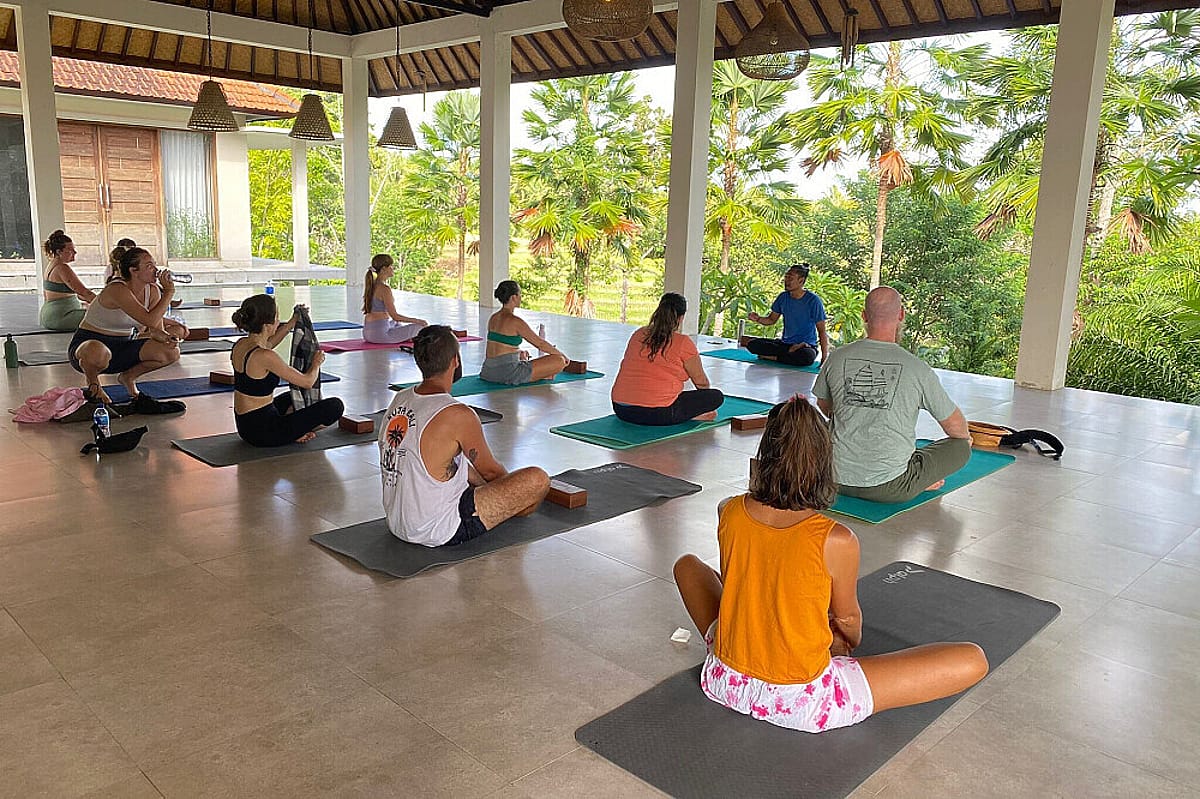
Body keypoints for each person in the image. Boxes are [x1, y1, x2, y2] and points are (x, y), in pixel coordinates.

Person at [673, 397, 988, 734]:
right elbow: (848, 619)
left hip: (725, 679)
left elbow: (739, 572)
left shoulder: (729, 510)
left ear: (765, 454)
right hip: (801, 699)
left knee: (687, 565)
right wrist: (842, 642)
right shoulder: (836, 539)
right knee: (972, 659)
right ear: (826, 462)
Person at [379, 325, 550, 547]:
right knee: (537, 479)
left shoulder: (400, 398)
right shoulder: (458, 414)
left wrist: (483, 489)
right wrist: (514, 494)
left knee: (464, 468)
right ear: (454, 361)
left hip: (398, 523)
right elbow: (491, 471)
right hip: (438, 527)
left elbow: (440, 461)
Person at [812, 286, 971, 503]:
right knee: (961, 447)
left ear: (864, 316)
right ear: (901, 315)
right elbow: (956, 428)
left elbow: (823, 404)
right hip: (890, 487)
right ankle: (919, 480)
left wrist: (856, 412)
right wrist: (967, 439)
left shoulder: (837, 357)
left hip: (833, 478)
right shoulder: (917, 368)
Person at [67, 247, 184, 413]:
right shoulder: (117, 289)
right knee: (98, 351)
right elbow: (148, 319)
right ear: (133, 271)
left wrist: (168, 338)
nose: (156, 270)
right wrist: (170, 292)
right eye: (149, 266)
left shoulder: (152, 291)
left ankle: (128, 377)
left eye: (155, 265)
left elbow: (154, 328)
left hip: (122, 346)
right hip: (88, 347)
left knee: (171, 352)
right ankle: (94, 386)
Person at [230, 294, 344, 447]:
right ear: (267, 325)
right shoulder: (265, 356)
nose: (278, 322)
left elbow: (270, 343)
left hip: (246, 425)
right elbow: (307, 382)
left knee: (293, 398)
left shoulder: (241, 345)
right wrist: (316, 364)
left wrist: (293, 321)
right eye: (277, 317)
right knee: (335, 406)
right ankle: (294, 433)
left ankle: (293, 428)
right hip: (264, 432)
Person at [610, 292, 723, 425]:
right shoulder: (683, 342)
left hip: (621, 409)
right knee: (716, 396)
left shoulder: (639, 334)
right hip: (658, 413)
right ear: (681, 318)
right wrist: (703, 402)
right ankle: (689, 416)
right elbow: (701, 383)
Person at [479, 280, 568, 384]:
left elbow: (501, 345)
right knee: (559, 361)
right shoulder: (515, 321)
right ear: (513, 297)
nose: (521, 297)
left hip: (487, 372)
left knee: (523, 355)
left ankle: (538, 372)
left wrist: (518, 353)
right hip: (507, 374)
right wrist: (563, 356)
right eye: (519, 294)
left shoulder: (493, 318)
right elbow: (541, 344)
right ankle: (541, 375)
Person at [744, 263, 830, 367]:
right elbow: (771, 320)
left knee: (806, 356)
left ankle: (773, 357)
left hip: (806, 346)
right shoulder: (783, 297)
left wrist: (824, 357)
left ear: (801, 281)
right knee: (752, 344)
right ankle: (787, 353)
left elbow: (822, 331)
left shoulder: (813, 300)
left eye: (791, 278)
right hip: (785, 344)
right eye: (786, 277)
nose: (787, 281)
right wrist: (757, 319)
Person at [362, 254, 428, 344]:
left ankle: (405, 337)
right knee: (420, 327)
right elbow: (395, 316)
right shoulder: (384, 289)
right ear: (384, 269)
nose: (393, 269)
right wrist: (417, 320)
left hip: (367, 334)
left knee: (396, 323)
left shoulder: (372, 285)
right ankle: (408, 337)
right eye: (391, 266)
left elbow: (395, 319)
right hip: (380, 335)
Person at [39, 230, 95, 331]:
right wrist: (104, 304)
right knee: (103, 316)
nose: (74, 252)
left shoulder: (52, 264)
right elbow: (84, 292)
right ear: (59, 252)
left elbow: (80, 295)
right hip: (60, 317)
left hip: (52, 315)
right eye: (70, 250)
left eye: (74, 249)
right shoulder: (62, 267)